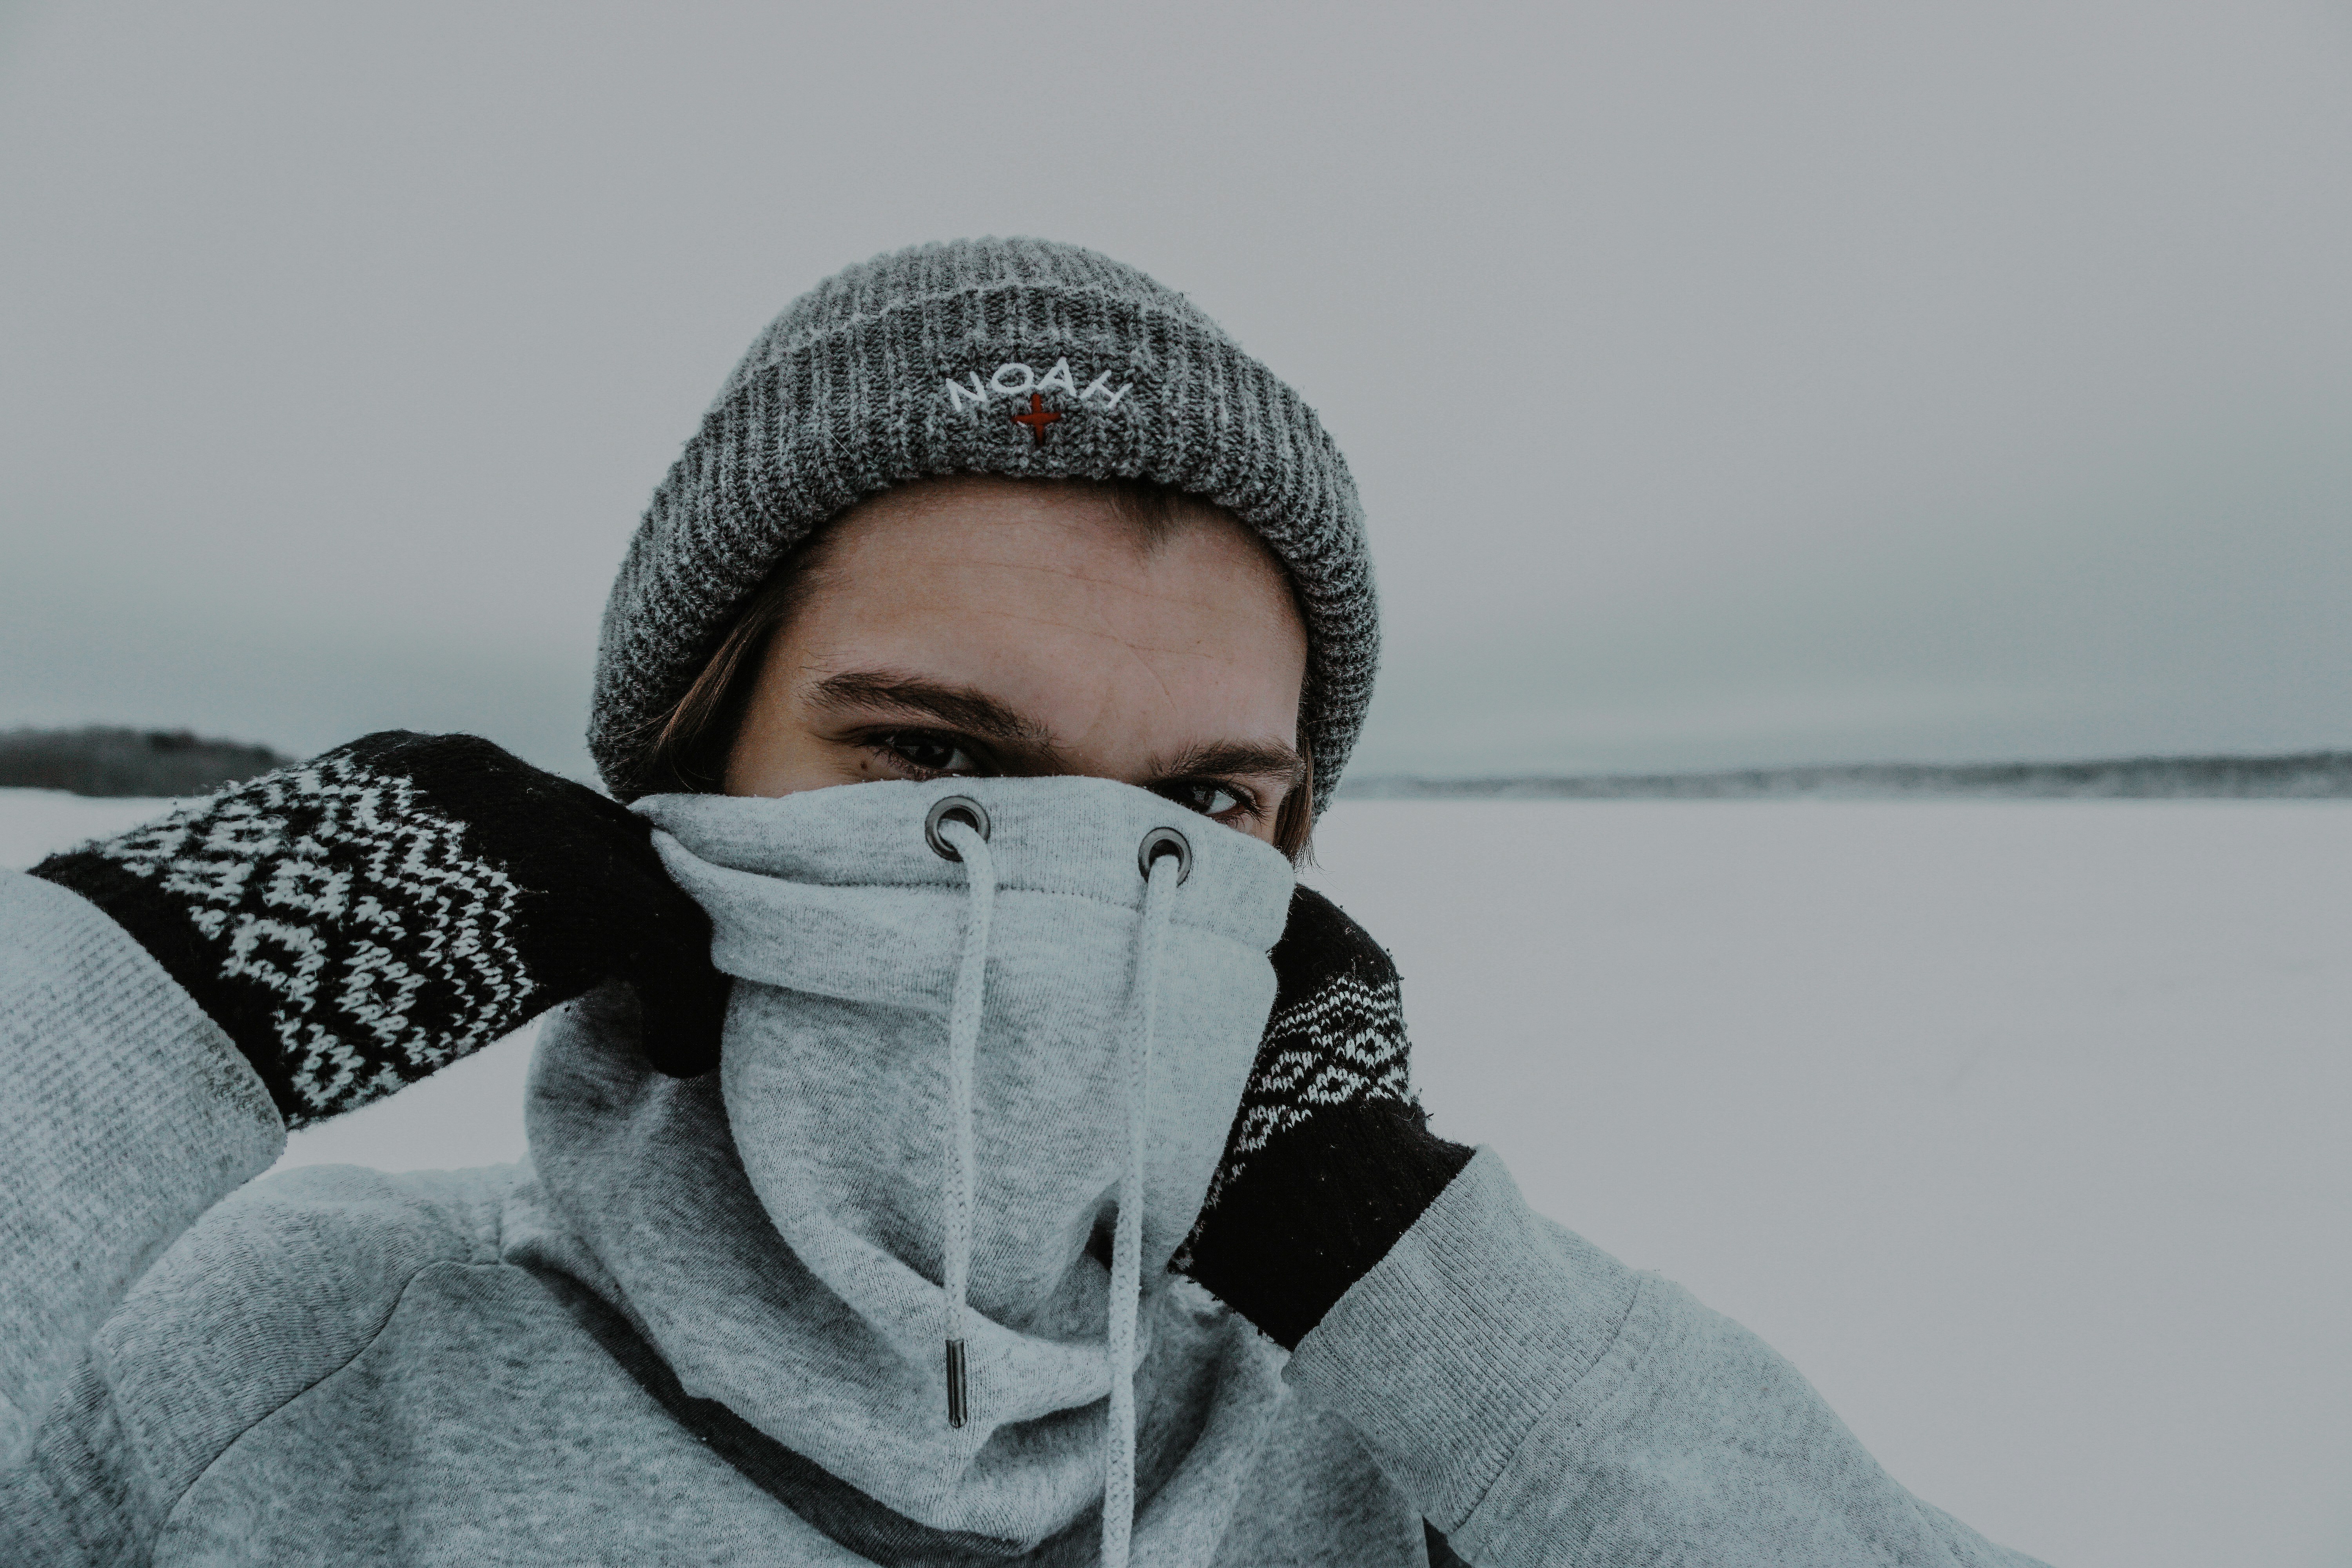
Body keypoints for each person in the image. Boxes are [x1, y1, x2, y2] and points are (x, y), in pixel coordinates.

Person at [0, 238, 2048, 1566]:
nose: (1080, 897)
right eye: (940, 765)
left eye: (1198, 810)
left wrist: (1438, 1300)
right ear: (693, 786)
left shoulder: (1414, 1445)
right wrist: (124, 1021)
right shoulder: (279, 1384)